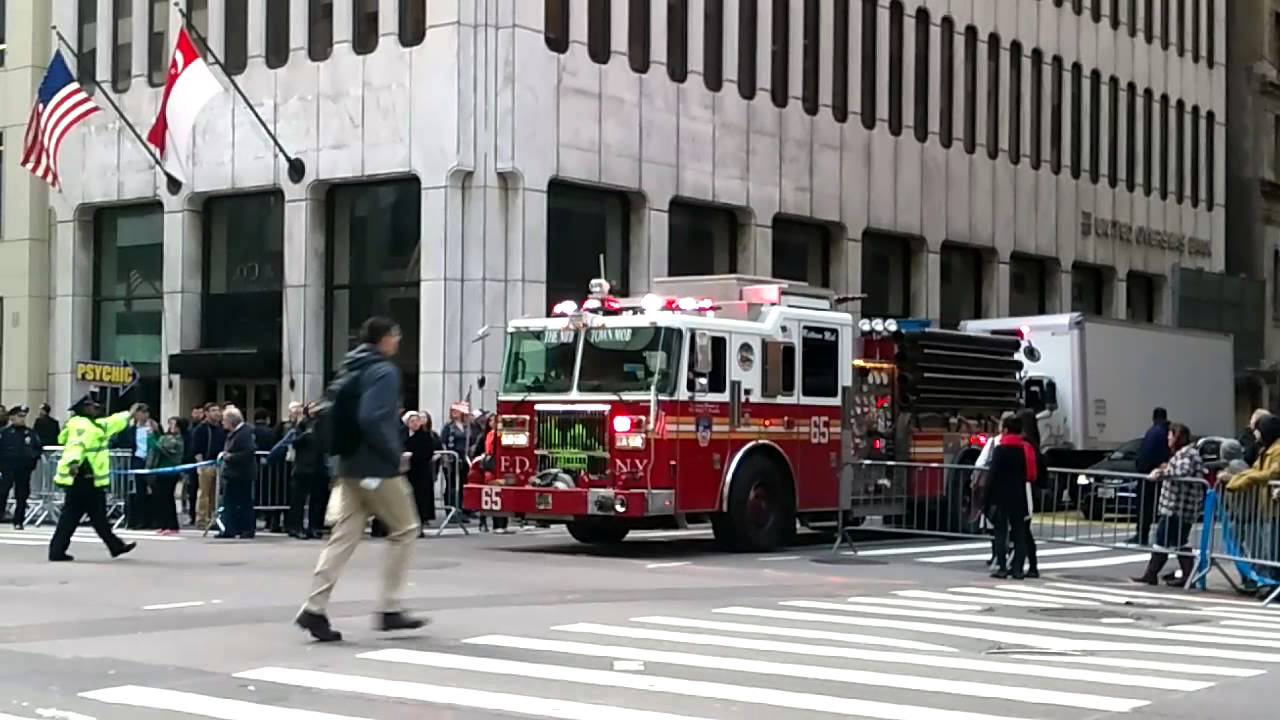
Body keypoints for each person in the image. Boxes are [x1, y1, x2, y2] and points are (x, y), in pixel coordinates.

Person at [296, 317, 425, 642]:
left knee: (343, 537)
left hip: (348, 465)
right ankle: (390, 608)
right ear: (384, 339)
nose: (397, 341)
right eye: (395, 335)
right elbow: (371, 417)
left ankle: (315, 606)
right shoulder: (383, 372)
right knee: (406, 529)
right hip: (376, 468)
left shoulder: (350, 367)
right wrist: (394, 454)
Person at [47, 396, 138, 562]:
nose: (95, 408)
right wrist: (74, 462)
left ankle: (114, 546)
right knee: (82, 517)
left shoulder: (93, 424)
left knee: (87, 517)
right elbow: (77, 445)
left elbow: (111, 423)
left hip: (89, 480)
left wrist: (129, 414)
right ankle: (58, 551)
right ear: (83, 408)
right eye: (90, 406)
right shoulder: (81, 424)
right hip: (83, 477)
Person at [1132, 423, 1206, 586]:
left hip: (1178, 507)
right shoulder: (1185, 454)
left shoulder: (1188, 454)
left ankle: (1151, 574)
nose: (1168, 439)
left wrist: (1160, 473)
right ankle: (1188, 576)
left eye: (1170, 436)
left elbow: (1182, 471)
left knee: (1162, 539)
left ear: (1177, 437)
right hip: (1178, 507)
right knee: (1179, 541)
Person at [1225, 416, 1280, 590]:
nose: (1254, 434)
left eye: (1257, 429)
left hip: (1275, 509)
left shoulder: (1277, 450)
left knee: (1274, 551)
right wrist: (1239, 479)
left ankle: (1273, 586)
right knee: (1270, 551)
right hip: (1268, 509)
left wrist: (1241, 480)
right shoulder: (1266, 450)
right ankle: (1270, 585)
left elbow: (1270, 474)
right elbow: (1255, 470)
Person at [986, 414, 1037, 579]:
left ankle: (1002, 567)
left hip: (1002, 495)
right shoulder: (1026, 448)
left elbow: (993, 475)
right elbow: (1031, 474)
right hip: (1019, 494)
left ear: (1006, 430)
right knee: (1019, 532)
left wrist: (987, 497)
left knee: (1000, 532)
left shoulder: (1000, 450)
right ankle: (1018, 569)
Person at [272, 403, 330, 539]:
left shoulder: (323, 425)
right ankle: (296, 527)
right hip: (303, 466)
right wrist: (305, 435)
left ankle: (314, 527)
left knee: (317, 500)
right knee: (298, 499)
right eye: (311, 408)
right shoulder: (302, 424)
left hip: (319, 466)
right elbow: (294, 441)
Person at [1129, 407, 1171, 546]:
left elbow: (1146, 454)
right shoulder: (1166, 432)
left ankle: (1142, 535)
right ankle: (1164, 537)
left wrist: (1142, 468)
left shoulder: (1153, 432)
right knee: (1159, 509)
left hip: (1149, 475)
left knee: (1145, 507)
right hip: (1158, 474)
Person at [216, 407, 257, 539]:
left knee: (243, 503)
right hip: (233, 474)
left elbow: (249, 452)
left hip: (241, 474)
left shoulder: (244, 433)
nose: (222, 422)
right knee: (230, 503)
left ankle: (247, 529)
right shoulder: (234, 433)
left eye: (224, 420)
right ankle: (230, 529)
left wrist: (230, 457)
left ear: (231, 421)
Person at [0, 407, 43, 530]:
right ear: (12, 418)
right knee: (2, 493)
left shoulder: (30, 433)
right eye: (19, 416)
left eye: (23, 416)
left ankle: (18, 520)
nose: (22, 419)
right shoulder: (5, 433)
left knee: (22, 495)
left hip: (23, 469)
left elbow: (37, 449)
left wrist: (31, 459)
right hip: (7, 468)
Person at [147, 418, 186, 535]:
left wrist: (152, 437)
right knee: (160, 499)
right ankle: (163, 524)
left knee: (167, 498)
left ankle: (172, 525)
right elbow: (161, 440)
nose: (170, 426)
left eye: (173, 424)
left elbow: (160, 447)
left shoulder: (177, 440)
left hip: (170, 472)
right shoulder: (166, 437)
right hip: (160, 471)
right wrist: (155, 431)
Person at [404, 411, 440, 533]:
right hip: (406, 472)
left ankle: (420, 526)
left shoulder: (425, 436)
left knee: (420, 499)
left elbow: (427, 453)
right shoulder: (403, 435)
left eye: (416, 421)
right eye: (411, 421)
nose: (414, 424)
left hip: (421, 472)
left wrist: (412, 456)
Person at [191, 403, 225, 530]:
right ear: (206, 413)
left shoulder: (221, 428)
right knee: (204, 493)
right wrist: (201, 465)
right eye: (213, 410)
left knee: (215, 494)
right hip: (206, 464)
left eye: (218, 410)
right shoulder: (201, 429)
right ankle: (201, 519)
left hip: (218, 464)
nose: (216, 413)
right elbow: (196, 449)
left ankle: (213, 518)